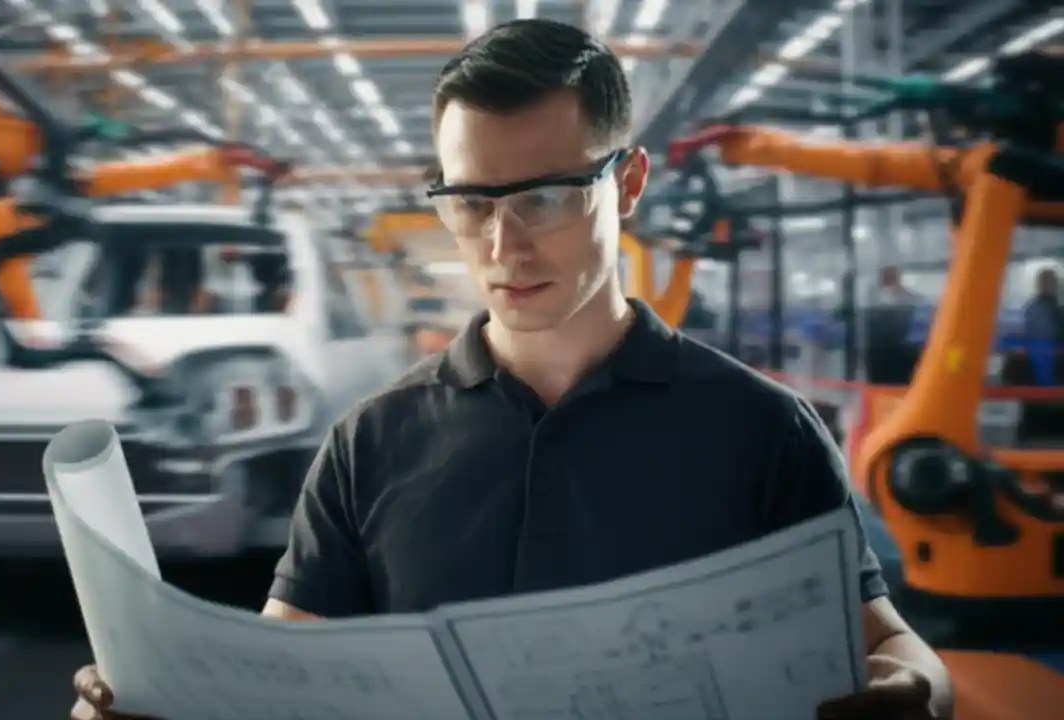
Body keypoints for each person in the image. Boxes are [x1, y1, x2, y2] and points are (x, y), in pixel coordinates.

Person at [71, 18, 952, 720]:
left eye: (544, 197)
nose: (503, 245)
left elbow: (889, 644)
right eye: (469, 203)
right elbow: (279, 672)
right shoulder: (371, 441)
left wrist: (920, 692)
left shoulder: (760, 430)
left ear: (629, 181)